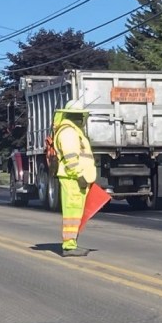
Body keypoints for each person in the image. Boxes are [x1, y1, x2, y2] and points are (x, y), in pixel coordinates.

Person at [53, 99, 97, 256]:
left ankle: (72, 243)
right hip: (73, 178)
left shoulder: (72, 131)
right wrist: (79, 175)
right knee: (72, 212)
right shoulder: (68, 132)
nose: (81, 120)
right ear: (73, 117)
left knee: (76, 212)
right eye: (79, 117)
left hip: (76, 177)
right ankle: (69, 246)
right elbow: (71, 156)